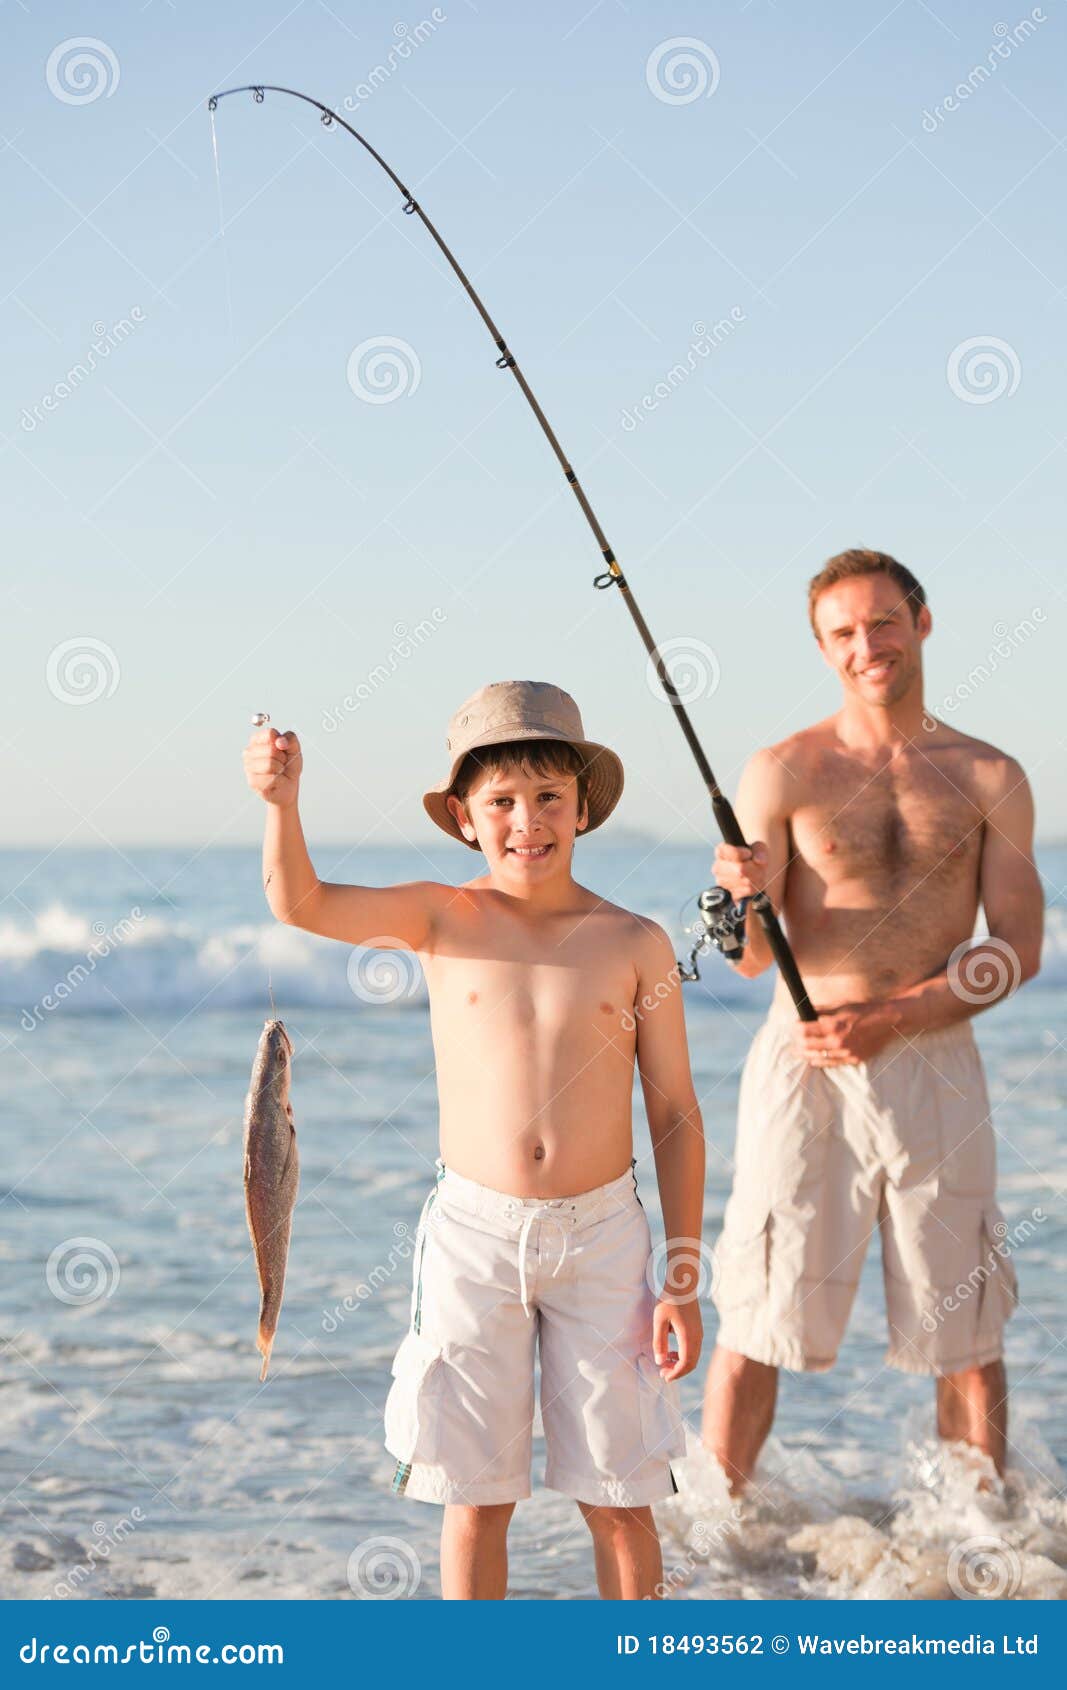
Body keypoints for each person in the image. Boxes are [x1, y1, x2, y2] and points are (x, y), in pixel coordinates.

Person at [243, 679, 705, 1599]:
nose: (525, 823)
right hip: (473, 1237)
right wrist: (282, 804)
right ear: (463, 816)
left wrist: (683, 1274)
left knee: (620, 1495)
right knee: (474, 1498)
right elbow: (298, 902)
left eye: (547, 800)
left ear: (583, 808)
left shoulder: (635, 941)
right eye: (500, 802)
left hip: (605, 1237)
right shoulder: (440, 917)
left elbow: (675, 1116)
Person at [702, 549, 1044, 1493]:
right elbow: (746, 955)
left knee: (964, 1327)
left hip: (936, 1059)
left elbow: (1015, 946)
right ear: (822, 649)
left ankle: (979, 1538)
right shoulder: (782, 768)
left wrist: (901, 1017)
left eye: (882, 622)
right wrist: (732, 899)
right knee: (757, 1316)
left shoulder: (988, 774)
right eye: (843, 633)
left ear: (921, 622)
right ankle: (714, 1543)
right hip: (801, 1063)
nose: (867, 646)